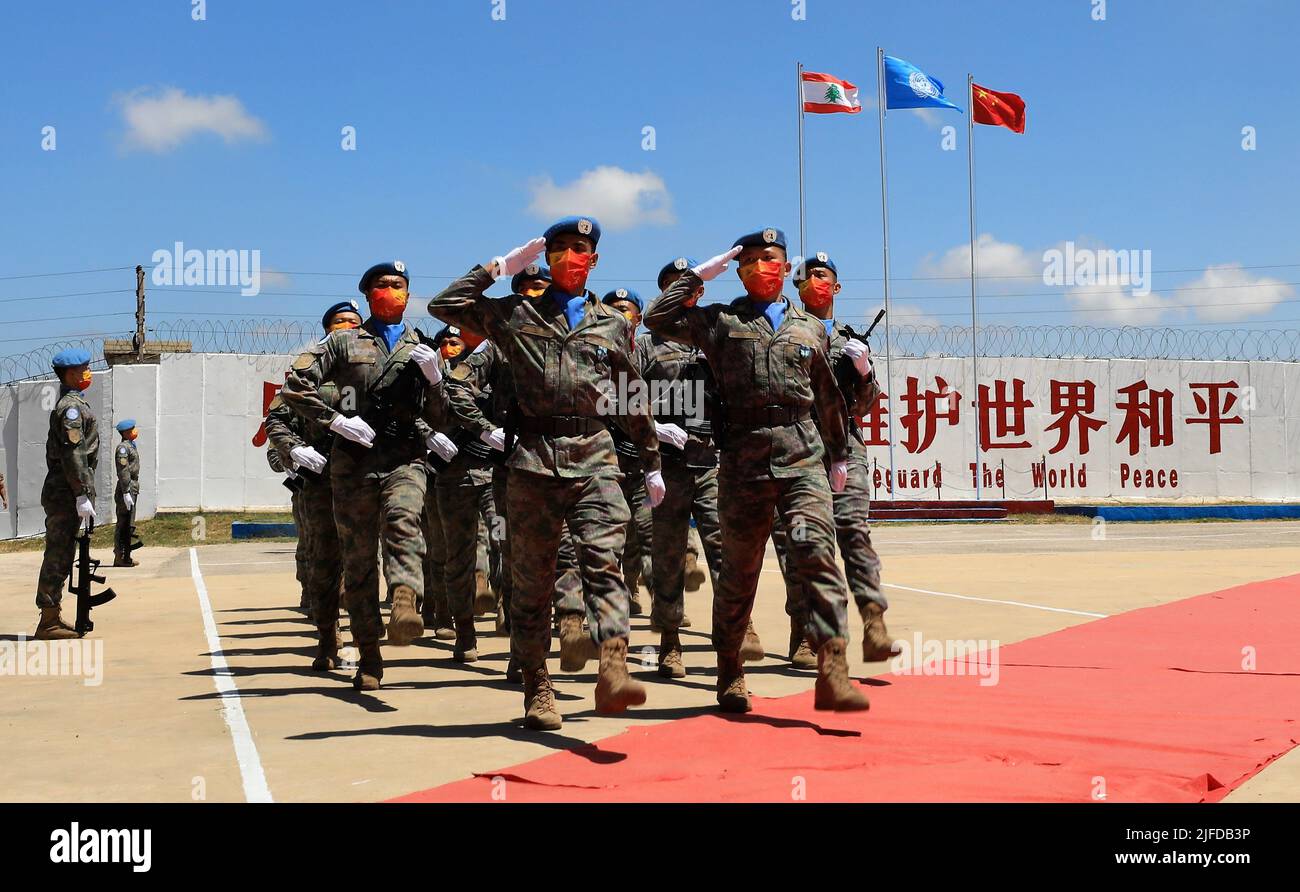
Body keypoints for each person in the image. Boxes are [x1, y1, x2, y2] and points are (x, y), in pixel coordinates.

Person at [430, 216, 664, 730]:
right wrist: (499, 267)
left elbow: (630, 396)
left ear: (595, 259)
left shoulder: (613, 324)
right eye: (557, 249)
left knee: (604, 561)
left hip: (596, 452)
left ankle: (614, 667)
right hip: (533, 459)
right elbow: (443, 306)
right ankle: (537, 683)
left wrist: (650, 459)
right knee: (531, 581)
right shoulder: (515, 314)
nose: (568, 257)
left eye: (579, 248)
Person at [644, 228, 869, 712]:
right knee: (740, 571)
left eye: (770, 259)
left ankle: (833, 666)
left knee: (817, 558)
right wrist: (702, 274)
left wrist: (839, 456)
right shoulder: (721, 321)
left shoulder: (810, 327)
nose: (760, 267)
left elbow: (827, 397)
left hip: (802, 455)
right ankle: (730, 669)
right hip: (744, 459)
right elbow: (657, 317)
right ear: (738, 270)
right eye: (748, 262)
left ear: (788, 269)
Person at [281, 261, 448, 691]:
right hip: (353, 464)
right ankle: (369, 656)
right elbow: (294, 386)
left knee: (404, 520)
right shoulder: (343, 343)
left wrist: (434, 381)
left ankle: (406, 599)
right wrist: (336, 421)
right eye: (381, 285)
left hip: (404, 457)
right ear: (369, 293)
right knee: (356, 565)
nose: (390, 291)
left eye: (398, 285)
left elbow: (443, 415)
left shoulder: (423, 348)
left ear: (409, 295)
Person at [778, 254, 896, 664]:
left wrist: (863, 371)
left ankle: (874, 622)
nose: (814, 281)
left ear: (837, 286)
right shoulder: (784, 332)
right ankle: (807, 632)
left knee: (854, 530)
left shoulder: (849, 337)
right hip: (799, 448)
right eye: (806, 276)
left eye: (822, 275)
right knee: (805, 544)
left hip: (846, 445)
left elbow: (863, 407)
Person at [264, 299, 359, 669]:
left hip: (364, 478)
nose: (348, 327)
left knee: (364, 559)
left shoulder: (377, 371)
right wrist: (295, 450)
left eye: (354, 321)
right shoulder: (307, 374)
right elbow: (277, 421)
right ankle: (327, 635)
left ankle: (365, 643)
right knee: (324, 558)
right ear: (327, 329)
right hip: (320, 480)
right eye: (340, 322)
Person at [34, 348, 100, 640]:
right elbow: (74, 455)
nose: (88, 373)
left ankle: (53, 615)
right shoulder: (71, 409)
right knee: (59, 554)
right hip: (65, 493)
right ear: (71, 374)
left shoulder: (72, 404)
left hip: (66, 492)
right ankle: (48, 620)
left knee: (64, 552)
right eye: (84, 369)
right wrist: (81, 493)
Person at [602, 288, 654, 615]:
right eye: (614, 309)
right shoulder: (597, 348)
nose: (622, 314)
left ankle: (631, 584)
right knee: (607, 533)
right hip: (606, 458)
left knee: (640, 530)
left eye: (628, 309)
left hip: (643, 458)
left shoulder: (650, 349)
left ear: (640, 317)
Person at [111, 419, 141, 567]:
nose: (135, 431)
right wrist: (126, 491)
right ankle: (119, 556)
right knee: (123, 523)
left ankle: (126, 555)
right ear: (125, 432)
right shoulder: (123, 448)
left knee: (129, 524)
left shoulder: (130, 445)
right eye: (132, 429)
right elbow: (123, 471)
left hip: (132, 486)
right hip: (127, 487)